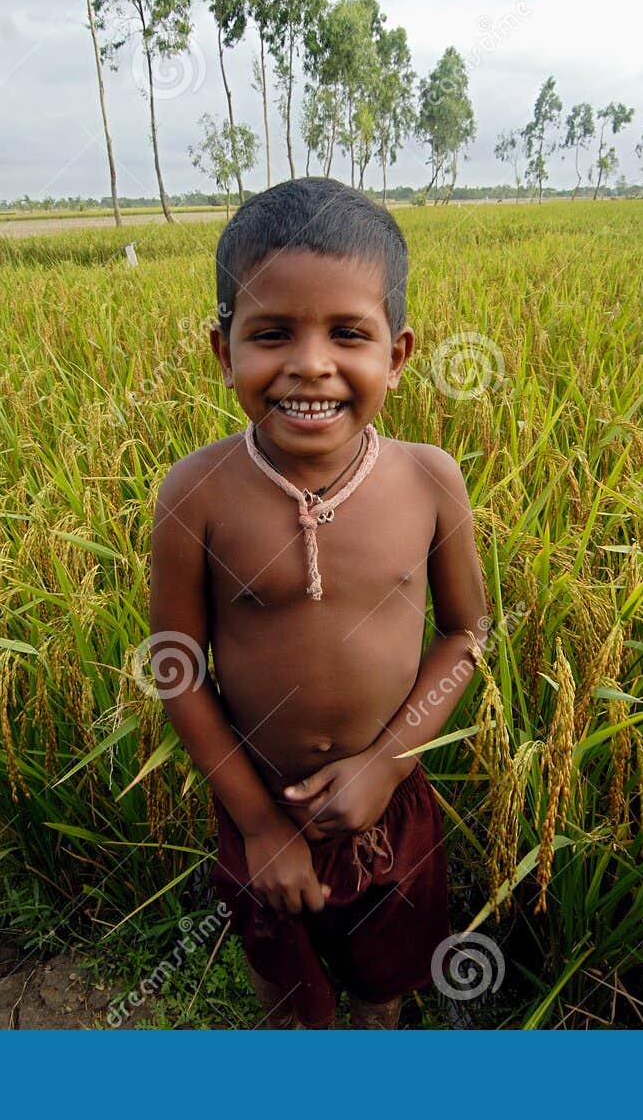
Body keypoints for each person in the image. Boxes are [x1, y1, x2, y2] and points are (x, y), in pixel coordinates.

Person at [147, 176, 488, 1028]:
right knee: (292, 998)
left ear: (397, 354)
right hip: (256, 798)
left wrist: (386, 764)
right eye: (270, 333)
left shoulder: (428, 480)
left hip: (392, 806)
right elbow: (176, 666)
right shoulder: (196, 494)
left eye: (347, 333)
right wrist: (261, 826)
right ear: (223, 352)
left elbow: (466, 631)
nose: (310, 363)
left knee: (383, 988)